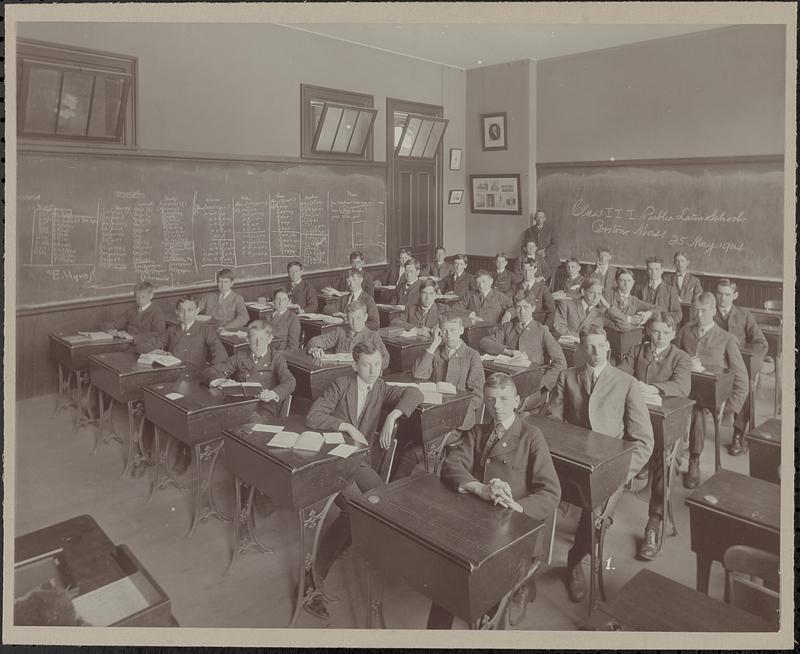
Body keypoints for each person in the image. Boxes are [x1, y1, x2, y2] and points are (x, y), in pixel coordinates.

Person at [428, 373, 562, 629]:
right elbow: (452, 465)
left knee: (489, 598)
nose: (497, 406)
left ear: (517, 401)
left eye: (503, 399)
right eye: (491, 400)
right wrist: (480, 489)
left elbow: (551, 492)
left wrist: (517, 507)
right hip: (476, 523)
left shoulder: (531, 436)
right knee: (448, 579)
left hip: (512, 528)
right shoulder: (477, 432)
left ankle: (492, 620)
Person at [302, 342, 424, 620]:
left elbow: (414, 392)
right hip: (333, 459)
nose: (373, 370)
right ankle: (312, 579)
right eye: (367, 365)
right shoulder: (341, 384)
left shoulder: (379, 386)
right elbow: (313, 416)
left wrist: (393, 415)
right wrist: (345, 426)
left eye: (377, 364)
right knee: (354, 508)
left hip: (357, 460)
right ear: (355, 365)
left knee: (381, 498)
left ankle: (345, 541)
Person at [546, 325, 654, 603]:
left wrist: (620, 474)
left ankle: (574, 562)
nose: (596, 352)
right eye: (589, 347)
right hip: (572, 461)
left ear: (608, 346)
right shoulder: (568, 376)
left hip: (609, 467)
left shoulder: (626, 382)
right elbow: (552, 423)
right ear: (581, 349)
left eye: (600, 345)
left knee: (595, 515)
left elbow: (644, 440)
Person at [618, 312, 692, 560]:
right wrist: (630, 385)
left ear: (673, 333)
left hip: (667, 424)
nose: (660, 337)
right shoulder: (636, 350)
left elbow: (682, 386)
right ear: (648, 331)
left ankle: (654, 524)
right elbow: (620, 373)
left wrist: (650, 388)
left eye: (666, 333)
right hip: (635, 419)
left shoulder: (680, 357)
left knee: (663, 461)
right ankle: (603, 516)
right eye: (656, 332)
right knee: (612, 449)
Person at [392, 315, 487, 480]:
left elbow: (477, 396)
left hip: (457, 423)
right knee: (401, 437)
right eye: (445, 331)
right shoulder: (437, 350)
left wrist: (454, 414)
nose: (449, 335)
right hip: (431, 416)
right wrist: (434, 344)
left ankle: (393, 489)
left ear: (461, 330)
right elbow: (419, 374)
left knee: (410, 454)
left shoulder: (472, 356)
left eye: (453, 330)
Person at [675, 293, 748, 488]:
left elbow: (742, 381)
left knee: (697, 409)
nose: (698, 315)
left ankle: (694, 459)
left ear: (714, 311)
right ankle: (665, 459)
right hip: (683, 388)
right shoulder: (685, 331)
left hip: (710, 395)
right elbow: (673, 357)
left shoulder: (727, 339)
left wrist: (728, 407)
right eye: (696, 310)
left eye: (704, 310)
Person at [480, 292, 567, 411]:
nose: (522, 311)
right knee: (493, 402)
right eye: (518, 307)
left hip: (531, 386)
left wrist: (541, 383)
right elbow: (484, 342)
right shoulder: (508, 327)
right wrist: (508, 352)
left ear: (533, 308)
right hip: (507, 382)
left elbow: (561, 362)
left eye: (526, 307)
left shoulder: (542, 330)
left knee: (512, 407)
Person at [713, 279, 768, 456]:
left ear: (735, 295)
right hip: (715, 367)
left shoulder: (744, 315)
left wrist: (751, 368)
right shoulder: (708, 312)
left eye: (727, 294)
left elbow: (761, 343)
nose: (723, 298)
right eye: (719, 293)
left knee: (745, 385)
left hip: (738, 366)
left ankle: (737, 434)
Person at [201, 320, 296, 418]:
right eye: (254, 339)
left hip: (263, 405)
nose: (258, 344)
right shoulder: (241, 355)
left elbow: (290, 381)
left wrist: (272, 393)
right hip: (239, 403)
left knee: (251, 422)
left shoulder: (276, 357)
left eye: (263, 339)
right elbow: (209, 372)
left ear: (270, 339)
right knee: (212, 417)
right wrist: (221, 381)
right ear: (247, 340)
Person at [144, 295, 227, 376]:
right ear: (176, 312)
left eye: (190, 310)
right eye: (181, 311)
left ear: (197, 311)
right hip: (173, 374)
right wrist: (157, 352)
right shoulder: (171, 330)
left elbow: (220, 354)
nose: (185, 314)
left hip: (196, 376)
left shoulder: (206, 330)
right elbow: (152, 344)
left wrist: (212, 372)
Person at [307, 301, 390, 370]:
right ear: (347, 318)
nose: (354, 322)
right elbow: (316, 340)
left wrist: (365, 360)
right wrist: (316, 348)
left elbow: (385, 360)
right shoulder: (340, 331)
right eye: (351, 318)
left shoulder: (373, 336)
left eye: (358, 318)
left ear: (365, 317)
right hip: (339, 374)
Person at [553, 276, 627, 338]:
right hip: (568, 347)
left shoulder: (600, 313)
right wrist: (581, 339)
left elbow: (624, 327)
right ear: (583, 292)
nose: (596, 297)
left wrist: (608, 306)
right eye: (592, 293)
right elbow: (558, 328)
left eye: (599, 294)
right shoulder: (566, 304)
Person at [101, 281, 166, 350]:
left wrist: (132, 337)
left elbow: (158, 335)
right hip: (128, 345)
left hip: (144, 348)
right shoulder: (132, 311)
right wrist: (110, 330)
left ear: (151, 296)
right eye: (137, 297)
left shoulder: (157, 312)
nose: (140, 300)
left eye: (143, 297)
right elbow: (117, 323)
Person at [505, 257, 556, 329]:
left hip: (537, 324)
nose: (527, 273)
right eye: (524, 270)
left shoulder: (543, 289)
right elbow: (506, 301)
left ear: (535, 270)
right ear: (521, 271)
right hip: (519, 323)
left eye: (530, 270)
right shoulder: (515, 287)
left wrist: (546, 326)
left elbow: (552, 310)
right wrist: (509, 311)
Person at [637, 256, 682, 324]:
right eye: (650, 269)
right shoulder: (639, 288)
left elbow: (678, 315)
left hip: (662, 325)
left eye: (656, 269)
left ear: (662, 270)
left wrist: (663, 319)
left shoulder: (671, 290)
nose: (653, 272)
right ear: (647, 270)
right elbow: (634, 308)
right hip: (642, 325)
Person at [522, 210, 559, 281]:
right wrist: (534, 253)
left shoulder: (551, 230)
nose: (539, 219)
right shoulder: (529, 231)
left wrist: (545, 253)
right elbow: (525, 246)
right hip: (535, 261)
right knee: (536, 281)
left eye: (541, 217)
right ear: (535, 219)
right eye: (537, 217)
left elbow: (555, 244)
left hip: (550, 261)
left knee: (550, 282)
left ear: (545, 218)